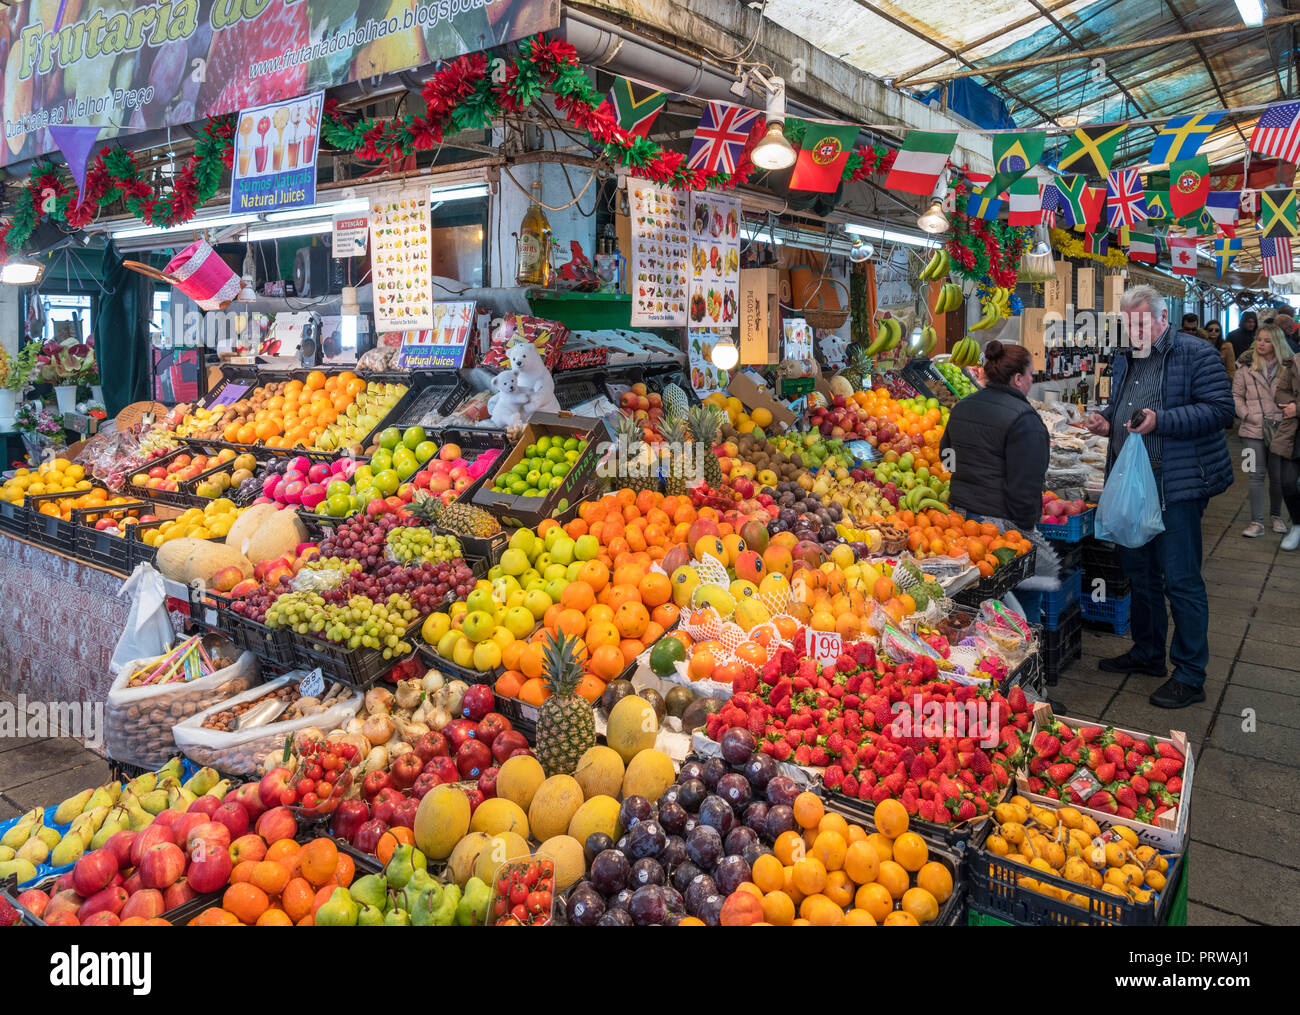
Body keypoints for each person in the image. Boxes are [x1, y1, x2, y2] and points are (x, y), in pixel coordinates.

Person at [1082, 284, 1235, 709]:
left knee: (1181, 580)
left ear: (1162, 318)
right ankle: (1148, 653)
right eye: (1127, 323)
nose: (1133, 330)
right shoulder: (1126, 358)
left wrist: (1160, 420)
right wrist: (1106, 420)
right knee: (1140, 573)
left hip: (1176, 486)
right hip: (1132, 483)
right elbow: (1123, 406)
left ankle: (1190, 674)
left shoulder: (1195, 354)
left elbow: (1221, 411)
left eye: (1141, 322)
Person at [939, 340, 1050, 623]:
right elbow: (1024, 488)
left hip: (959, 522)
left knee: (970, 603)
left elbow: (946, 458)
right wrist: (1025, 531)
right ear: (1017, 378)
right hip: (1001, 528)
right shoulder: (1025, 419)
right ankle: (1026, 651)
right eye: (1030, 375)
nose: (1030, 381)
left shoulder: (962, 407)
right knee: (1019, 603)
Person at [1233, 324, 1291, 538]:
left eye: (1267, 340)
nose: (1261, 344)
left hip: (1280, 429)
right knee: (1254, 475)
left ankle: (1276, 515)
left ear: (1276, 343)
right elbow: (1236, 395)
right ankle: (1256, 522)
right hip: (1250, 431)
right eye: (1259, 339)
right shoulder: (1245, 366)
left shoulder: (1289, 366)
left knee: (1277, 477)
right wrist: (1245, 414)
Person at [1267, 349, 1300, 550]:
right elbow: (1280, 390)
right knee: (1287, 483)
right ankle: (1297, 524)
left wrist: (1297, 408)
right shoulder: (1295, 361)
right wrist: (1292, 405)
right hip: (1294, 433)